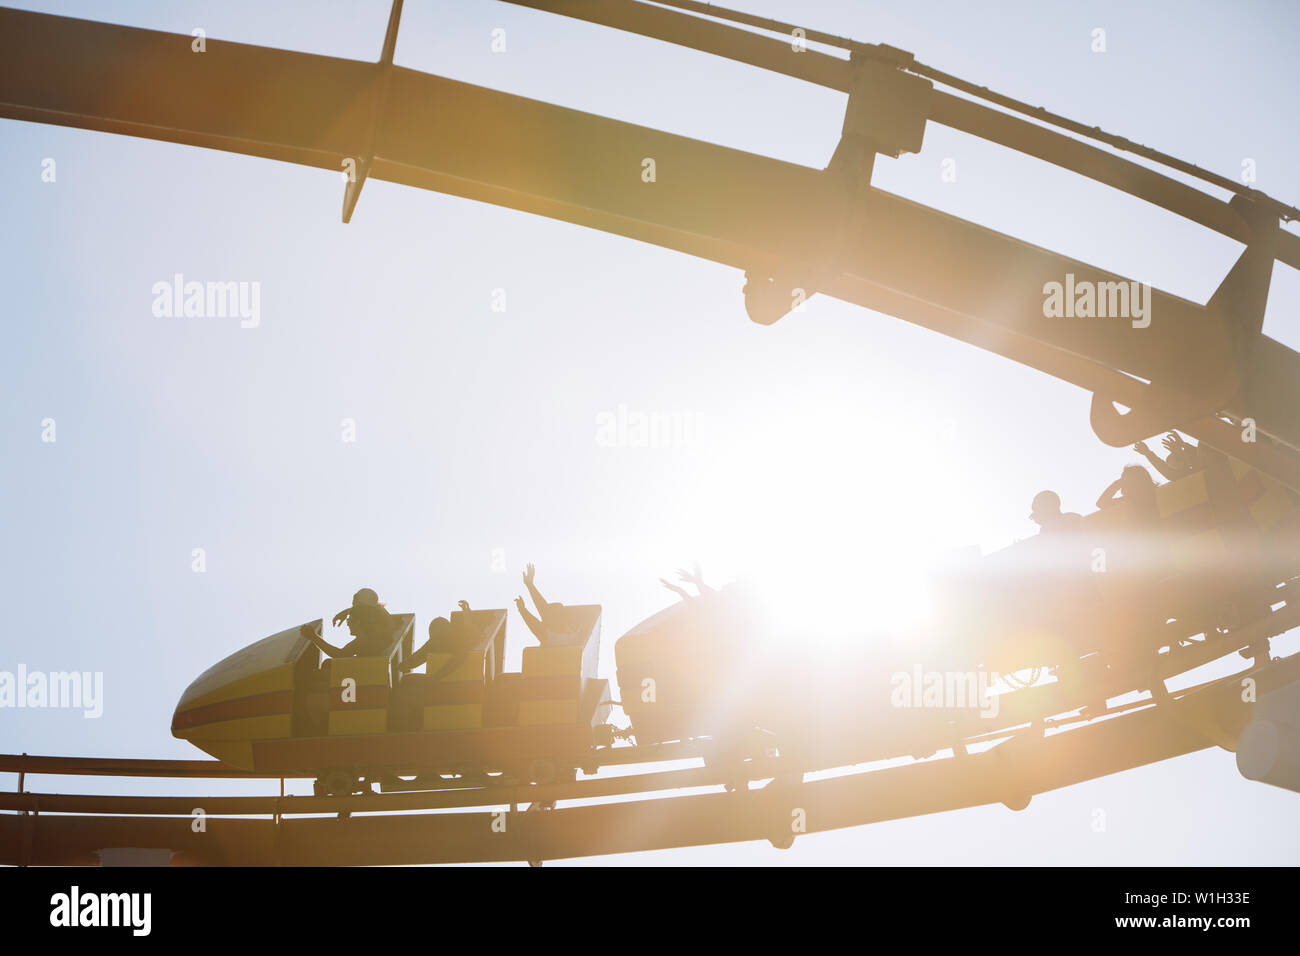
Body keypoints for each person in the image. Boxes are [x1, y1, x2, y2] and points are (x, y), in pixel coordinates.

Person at [299, 587, 400, 658]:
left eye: (349, 620)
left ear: (359, 622)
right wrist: (347, 612)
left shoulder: (364, 640)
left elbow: (338, 655)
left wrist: (313, 637)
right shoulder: (382, 626)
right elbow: (372, 609)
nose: (347, 624)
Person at [515, 563, 574, 645]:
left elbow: (541, 612)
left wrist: (522, 610)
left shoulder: (549, 637)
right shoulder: (571, 634)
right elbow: (541, 611)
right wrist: (530, 586)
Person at [1133, 431, 1200, 481]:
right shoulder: (1179, 477)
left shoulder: (1197, 470)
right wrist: (1182, 447)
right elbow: (1165, 468)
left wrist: (1182, 446)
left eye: (1178, 459)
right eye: (1173, 464)